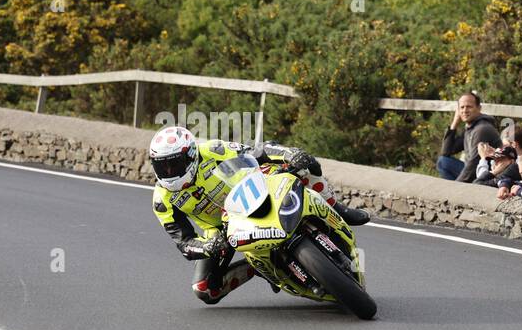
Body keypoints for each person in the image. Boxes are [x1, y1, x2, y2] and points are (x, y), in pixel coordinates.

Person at [148, 126, 369, 305]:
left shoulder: (211, 149)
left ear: (191, 155)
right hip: (222, 229)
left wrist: (288, 153)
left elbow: (255, 152)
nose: (168, 172)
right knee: (205, 290)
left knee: (306, 163)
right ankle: (258, 267)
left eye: (174, 164)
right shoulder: (162, 200)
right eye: (162, 166)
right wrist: (207, 246)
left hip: (250, 190)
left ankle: (337, 208)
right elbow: (184, 242)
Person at [437, 91, 501, 182]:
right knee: (443, 162)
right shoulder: (470, 127)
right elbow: (446, 152)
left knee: (444, 163)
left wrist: (455, 186)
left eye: (469, 107)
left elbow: (473, 164)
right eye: (462, 107)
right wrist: (454, 123)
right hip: (474, 170)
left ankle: (455, 193)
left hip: (487, 174)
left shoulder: (481, 129)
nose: (465, 110)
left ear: (479, 108)